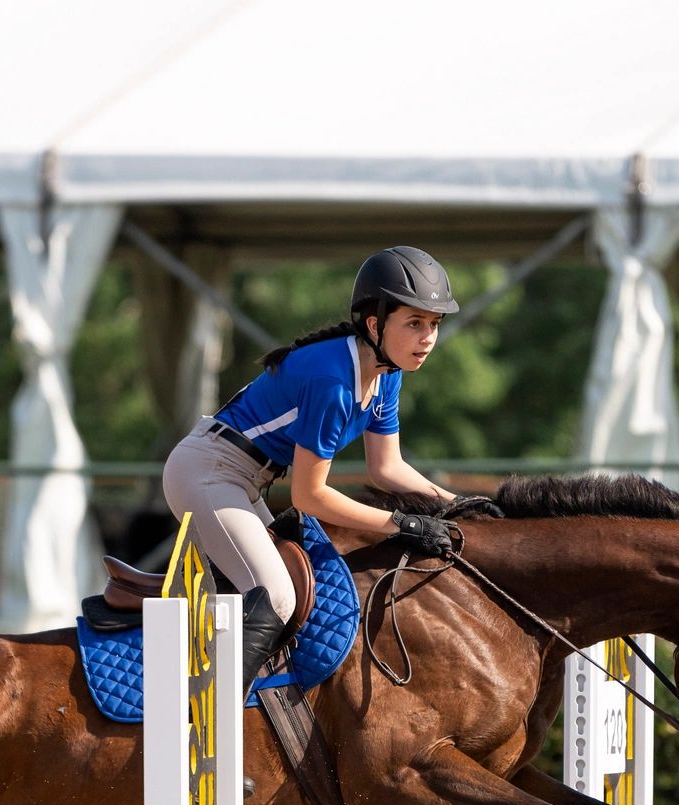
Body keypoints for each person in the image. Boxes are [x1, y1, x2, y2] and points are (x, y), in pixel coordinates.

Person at [163, 245, 465, 678]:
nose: (428, 338)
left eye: (434, 324)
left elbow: (387, 468)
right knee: (277, 597)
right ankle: (208, 717)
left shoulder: (386, 373)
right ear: (376, 325)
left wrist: (460, 504)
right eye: (414, 323)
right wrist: (401, 523)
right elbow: (308, 495)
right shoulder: (333, 381)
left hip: (242, 479)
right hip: (207, 473)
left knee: (315, 586)